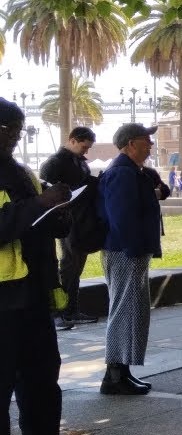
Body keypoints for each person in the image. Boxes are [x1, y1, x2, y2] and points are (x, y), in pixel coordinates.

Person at [0, 99, 90, 435]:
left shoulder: (18, 171)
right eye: (11, 130)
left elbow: (37, 218)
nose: (17, 137)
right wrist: (40, 204)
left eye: (19, 130)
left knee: (42, 379)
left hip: (32, 295)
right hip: (3, 299)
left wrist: (60, 214)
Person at [98, 123, 164, 395]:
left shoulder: (129, 171)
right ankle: (114, 375)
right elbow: (121, 218)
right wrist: (135, 248)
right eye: (145, 140)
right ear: (129, 144)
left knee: (131, 311)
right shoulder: (122, 173)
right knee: (124, 310)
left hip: (128, 250)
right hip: (125, 251)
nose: (150, 144)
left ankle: (122, 371)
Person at [39, 127, 98, 331]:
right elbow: (45, 190)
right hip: (67, 219)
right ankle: (63, 311)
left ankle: (72, 309)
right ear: (73, 140)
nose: (86, 152)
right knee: (69, 265)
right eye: (84, 147)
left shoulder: (78, 161)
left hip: (80, 220)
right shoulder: (54, 163)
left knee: (76, 265)